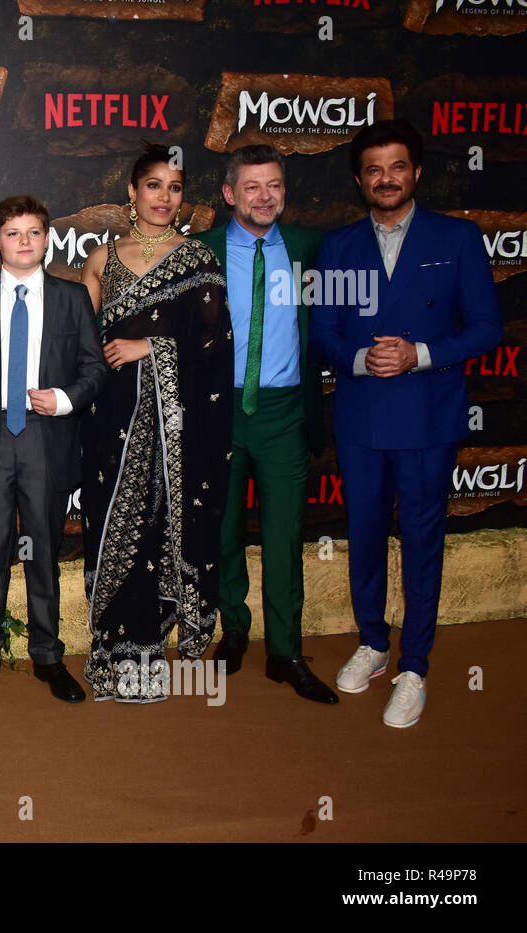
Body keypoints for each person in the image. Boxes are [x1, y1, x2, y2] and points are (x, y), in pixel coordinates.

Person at [311, 119, 501, 728]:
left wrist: (417, 353)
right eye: (373, 169)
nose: (385, 178)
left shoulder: (459, 238)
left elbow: (486, 328)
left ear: (416, 172)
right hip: (362, 415)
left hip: (427, 415)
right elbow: (323, 333)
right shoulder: (339, 247)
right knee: (364, 536)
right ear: (360, 179)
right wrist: (363, 359)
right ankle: (373, 643)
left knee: (422, 543)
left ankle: (413, 665)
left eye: (397, 167)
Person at [0, 195, 109, 704]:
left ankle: (49, 656)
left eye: (35, 232)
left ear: (48, 239)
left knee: (44, 552)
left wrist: (63, 399)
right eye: (13, 233)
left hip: (45, 439)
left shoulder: (71, 297)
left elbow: (96, 369)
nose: (24, 242)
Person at [79, 145, 233, 702]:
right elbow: (72, 331)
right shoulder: (102, 260)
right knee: (111, 526)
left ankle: (153, 650)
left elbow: (215, 346)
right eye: (153, 185)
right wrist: (4, 280)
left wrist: (154, 346)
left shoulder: (198, 261)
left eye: (174, 188)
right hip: (110, 419)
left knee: (158, 526)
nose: (164, 198)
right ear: (132, 192)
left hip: (177, 426)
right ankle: (114, 653)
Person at [193, 145, 336, 704]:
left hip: (283, 414)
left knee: (283, 538)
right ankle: (233, 634)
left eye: (274, 185)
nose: (265, 196)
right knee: (224, 534)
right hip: (218, 411)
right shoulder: (199, 251)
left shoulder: (307, 248)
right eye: (252, 186)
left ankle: (286, 652)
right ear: (230, 194)